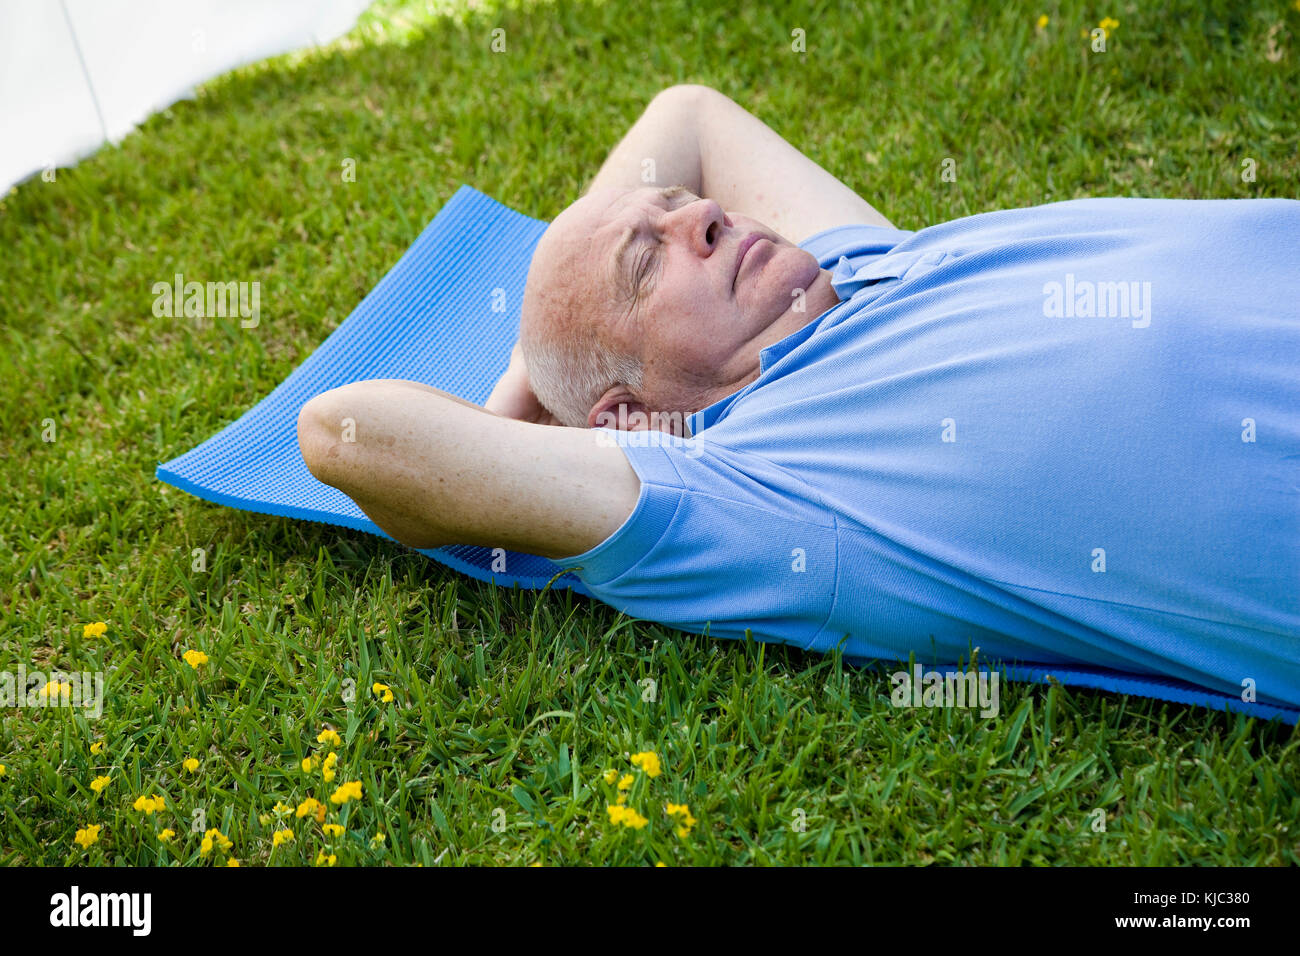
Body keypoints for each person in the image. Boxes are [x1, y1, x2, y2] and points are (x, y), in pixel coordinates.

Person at [297, 84, 1300, 709]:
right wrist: (542, 404)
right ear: (624, 414)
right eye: (648, 260)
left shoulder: (863, 263)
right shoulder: (748, 489)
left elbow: (686, 113)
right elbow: (345, 432)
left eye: (685, 209)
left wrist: (576, 333)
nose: (706, 217)